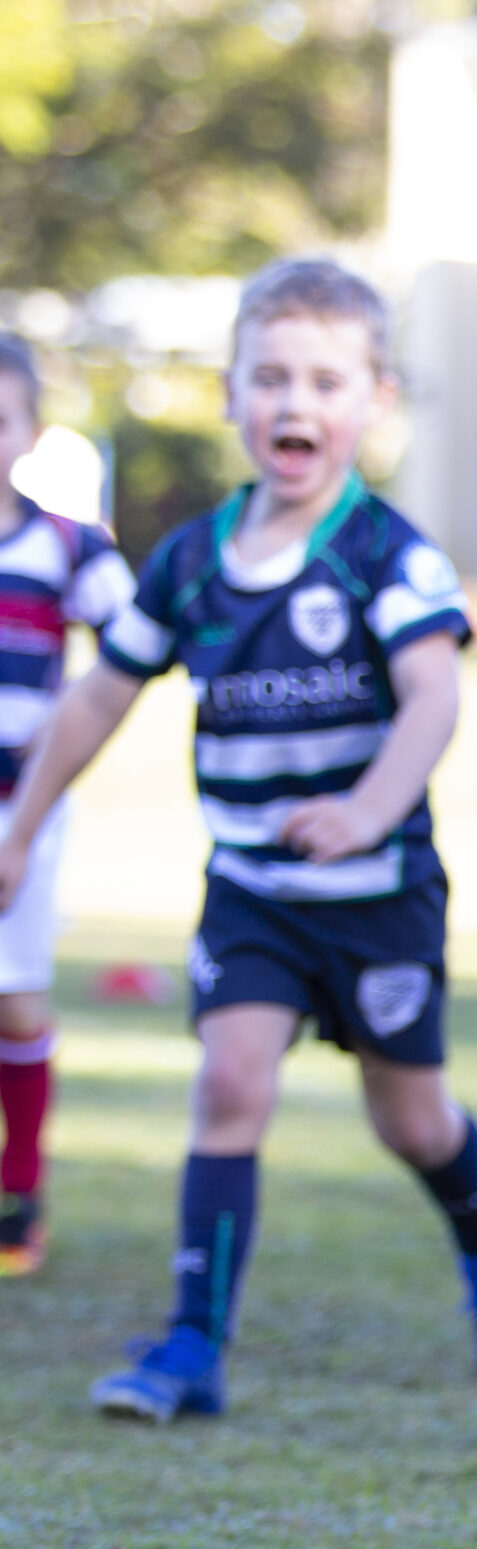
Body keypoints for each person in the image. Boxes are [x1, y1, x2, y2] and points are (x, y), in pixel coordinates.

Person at [0, 258, 477, 1422]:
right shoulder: (192, 560)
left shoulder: (387, 555)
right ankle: (192, 1348)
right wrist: (21, 820)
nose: (294, 403)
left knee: (410, 1119)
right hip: (253, 888)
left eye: (324, 380)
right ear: (230, 396)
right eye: (269, 378)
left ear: (375, 401)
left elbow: (434, 698)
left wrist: (365, 807)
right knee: (230, 1079)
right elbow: (99, 695)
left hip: (380, 889)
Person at [0, 333, 137, 1276]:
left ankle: (21, 1196)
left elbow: (140, 639)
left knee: (13, 1000)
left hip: (22, 813)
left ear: (28, 432)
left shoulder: (64, 545)